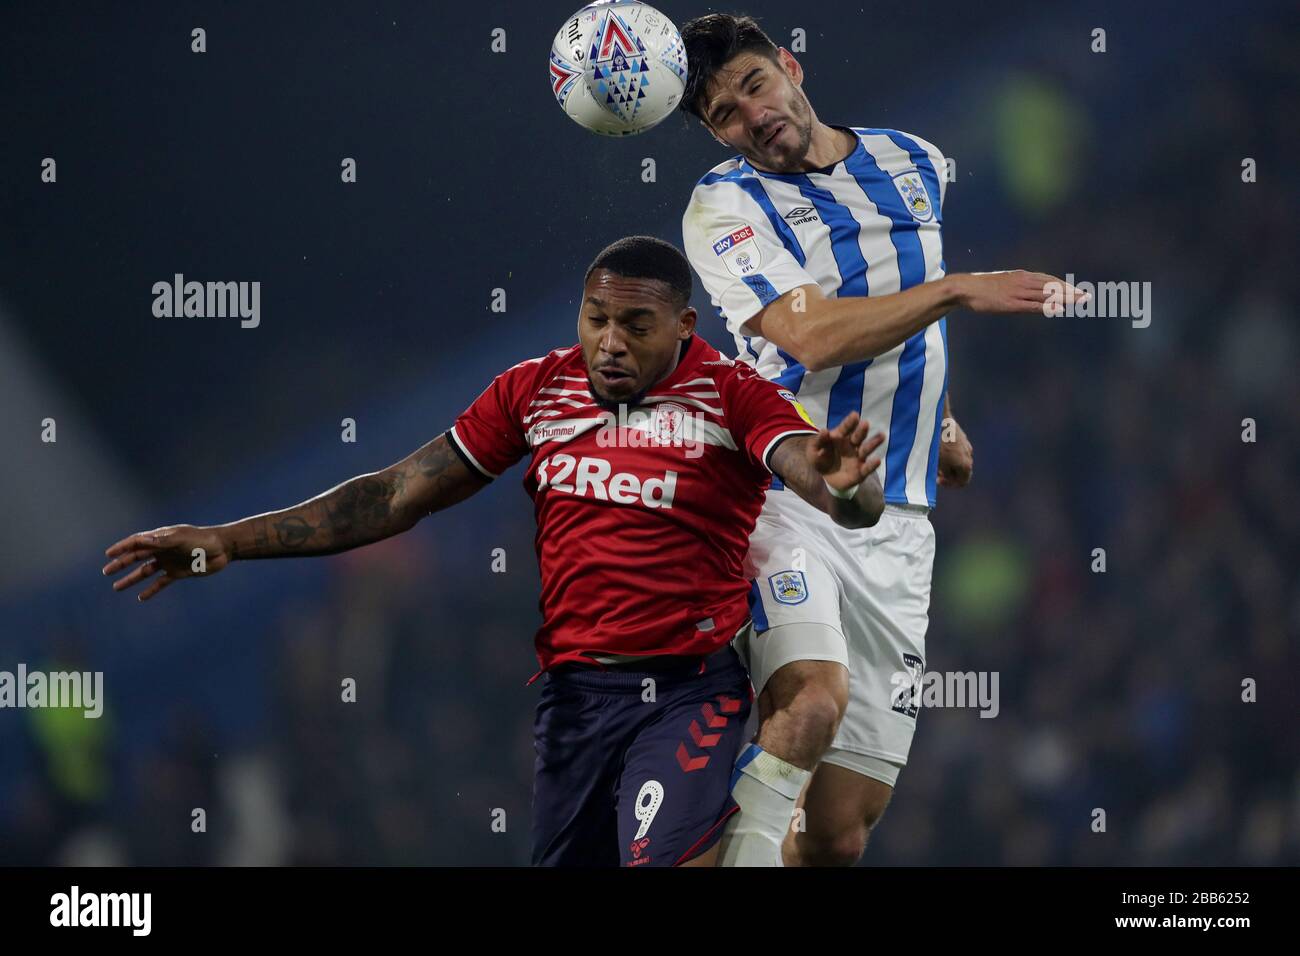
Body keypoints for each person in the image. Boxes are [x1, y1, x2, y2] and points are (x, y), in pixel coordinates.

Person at [102, 235, 888, 867]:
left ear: (684, 327)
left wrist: (849, 487)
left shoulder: (730, 395)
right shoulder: (534, 391)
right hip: (575, 701)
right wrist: (227, 544)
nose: (609, 343)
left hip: (686, 692)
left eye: (635, 326)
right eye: (595, 319)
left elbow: (815, 475)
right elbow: (393, 495)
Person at [678, 14, 1087, 866]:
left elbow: (898, 315)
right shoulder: (725, 206)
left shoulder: (915, 160)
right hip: (788, 493)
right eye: (723, 114)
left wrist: (934, 414)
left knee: (838, 834)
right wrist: (959, 289)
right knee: (810, 705)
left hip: (898, 526)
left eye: (754, 84)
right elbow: (814, 334)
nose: (751, 115)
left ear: (789, 65)